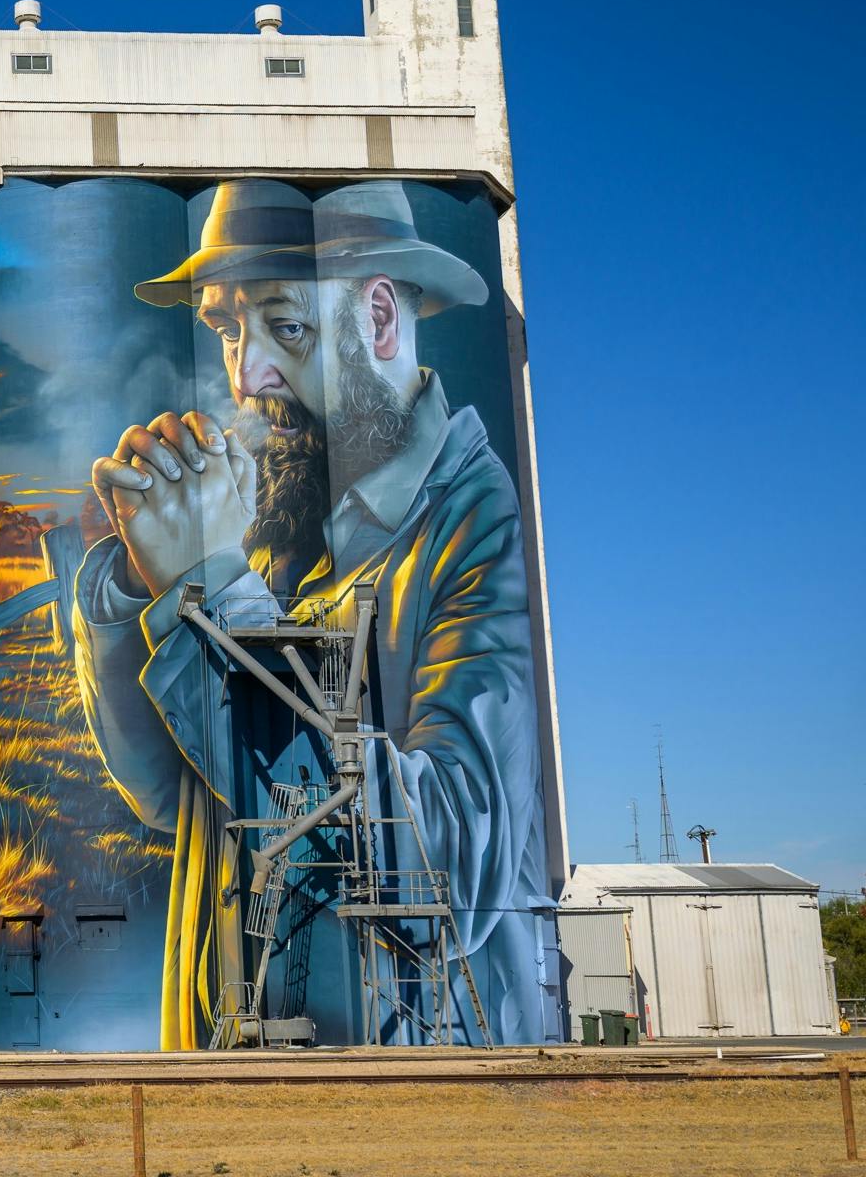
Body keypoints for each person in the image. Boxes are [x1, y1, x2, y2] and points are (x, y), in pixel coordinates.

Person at [71, 179, 551, 1046]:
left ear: (377, 318)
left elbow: (450, 863)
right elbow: (165, 793)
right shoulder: (276, 510)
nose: (245, 374)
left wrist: (214, 587)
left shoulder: (468, 514)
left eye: (283, 327)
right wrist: (144, 588)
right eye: (227, 329)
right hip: (224, 1051)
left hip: (405, 1077)